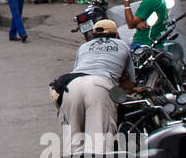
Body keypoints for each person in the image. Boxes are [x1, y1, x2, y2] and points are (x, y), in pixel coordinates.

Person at [57, 20, 140, 151]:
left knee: (72, 143)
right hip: (99, 86)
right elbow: (130, 84)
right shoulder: (122, 45)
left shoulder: (84, 47)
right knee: (98, 146)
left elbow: (80, 70)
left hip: (71, 85)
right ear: (116, 35)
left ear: (93, 35)